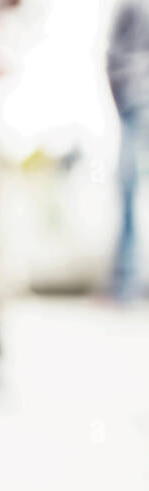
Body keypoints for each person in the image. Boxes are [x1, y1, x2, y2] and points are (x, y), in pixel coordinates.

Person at [108, 0, 149, 301]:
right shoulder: (131, 6)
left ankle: (127, 283)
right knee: (129, 189)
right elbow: (112, 55)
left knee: (131, 190)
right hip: (135, 101)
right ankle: (126, 283)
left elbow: (112, 55)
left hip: (135, 98)